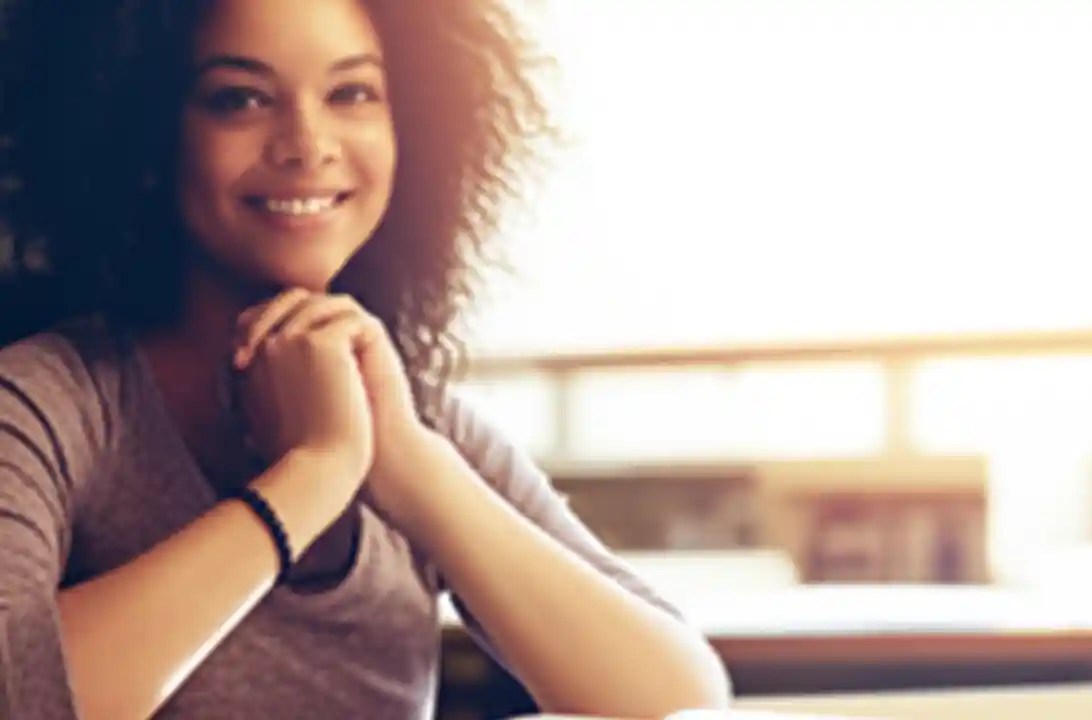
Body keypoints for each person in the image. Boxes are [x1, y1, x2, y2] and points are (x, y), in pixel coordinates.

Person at [0, 1, 732, 718]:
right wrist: (313, 477)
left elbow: (678, 700)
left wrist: (409, 465)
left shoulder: (415, 416)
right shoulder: (46, 404)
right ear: (151, 133)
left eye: (351, 92)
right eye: (241, 99)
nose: (307, 144)